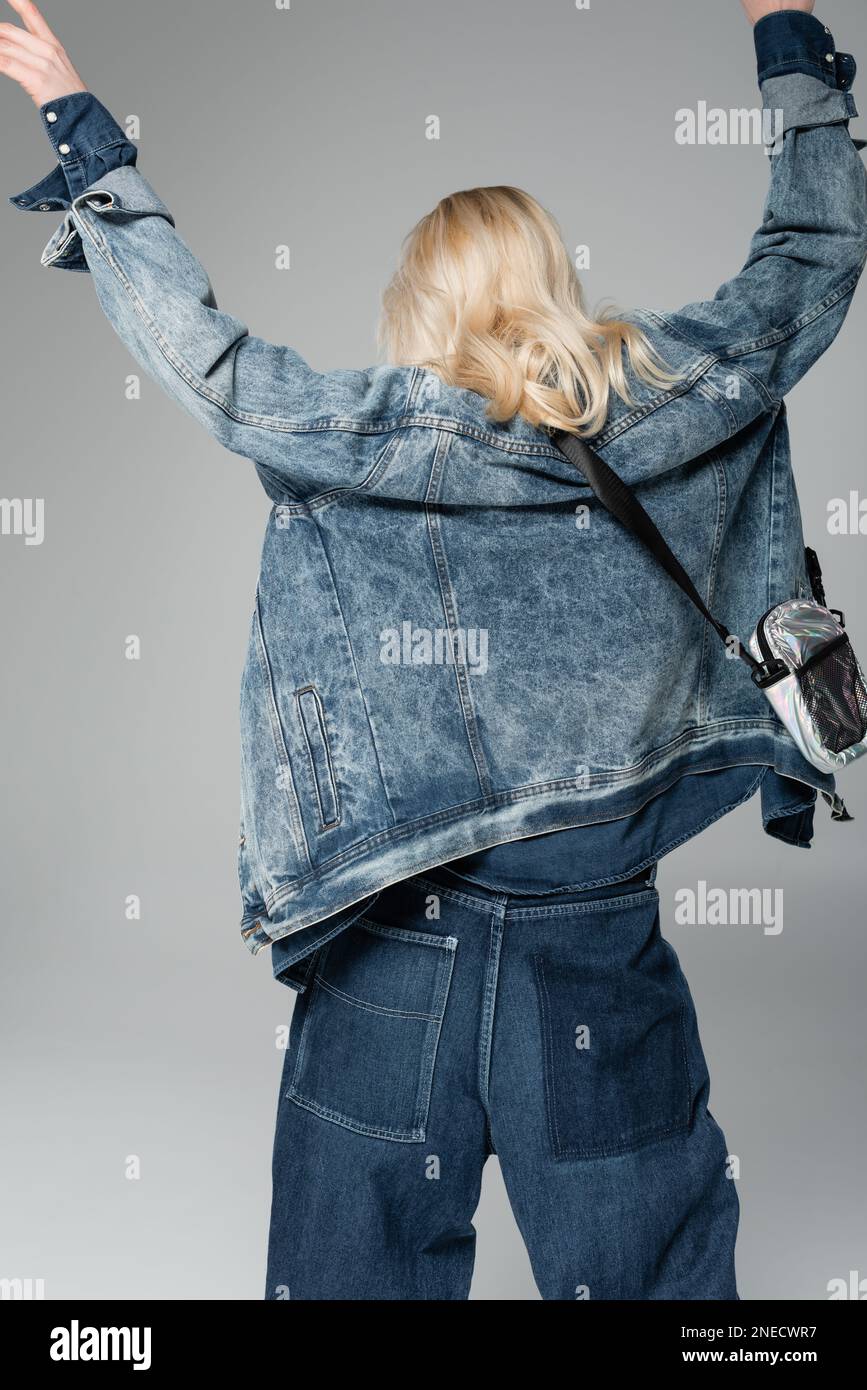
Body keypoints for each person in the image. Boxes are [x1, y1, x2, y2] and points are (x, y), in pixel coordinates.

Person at [3, 0, 864, 1300]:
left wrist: (88, 136)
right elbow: (811, 260)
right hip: (597, 942)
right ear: (552, 283)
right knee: (664, 1289)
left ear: (422, 303)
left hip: (394, 947)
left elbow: (207, 360)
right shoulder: (675, 396)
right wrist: (790, 36)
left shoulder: (367, 428)